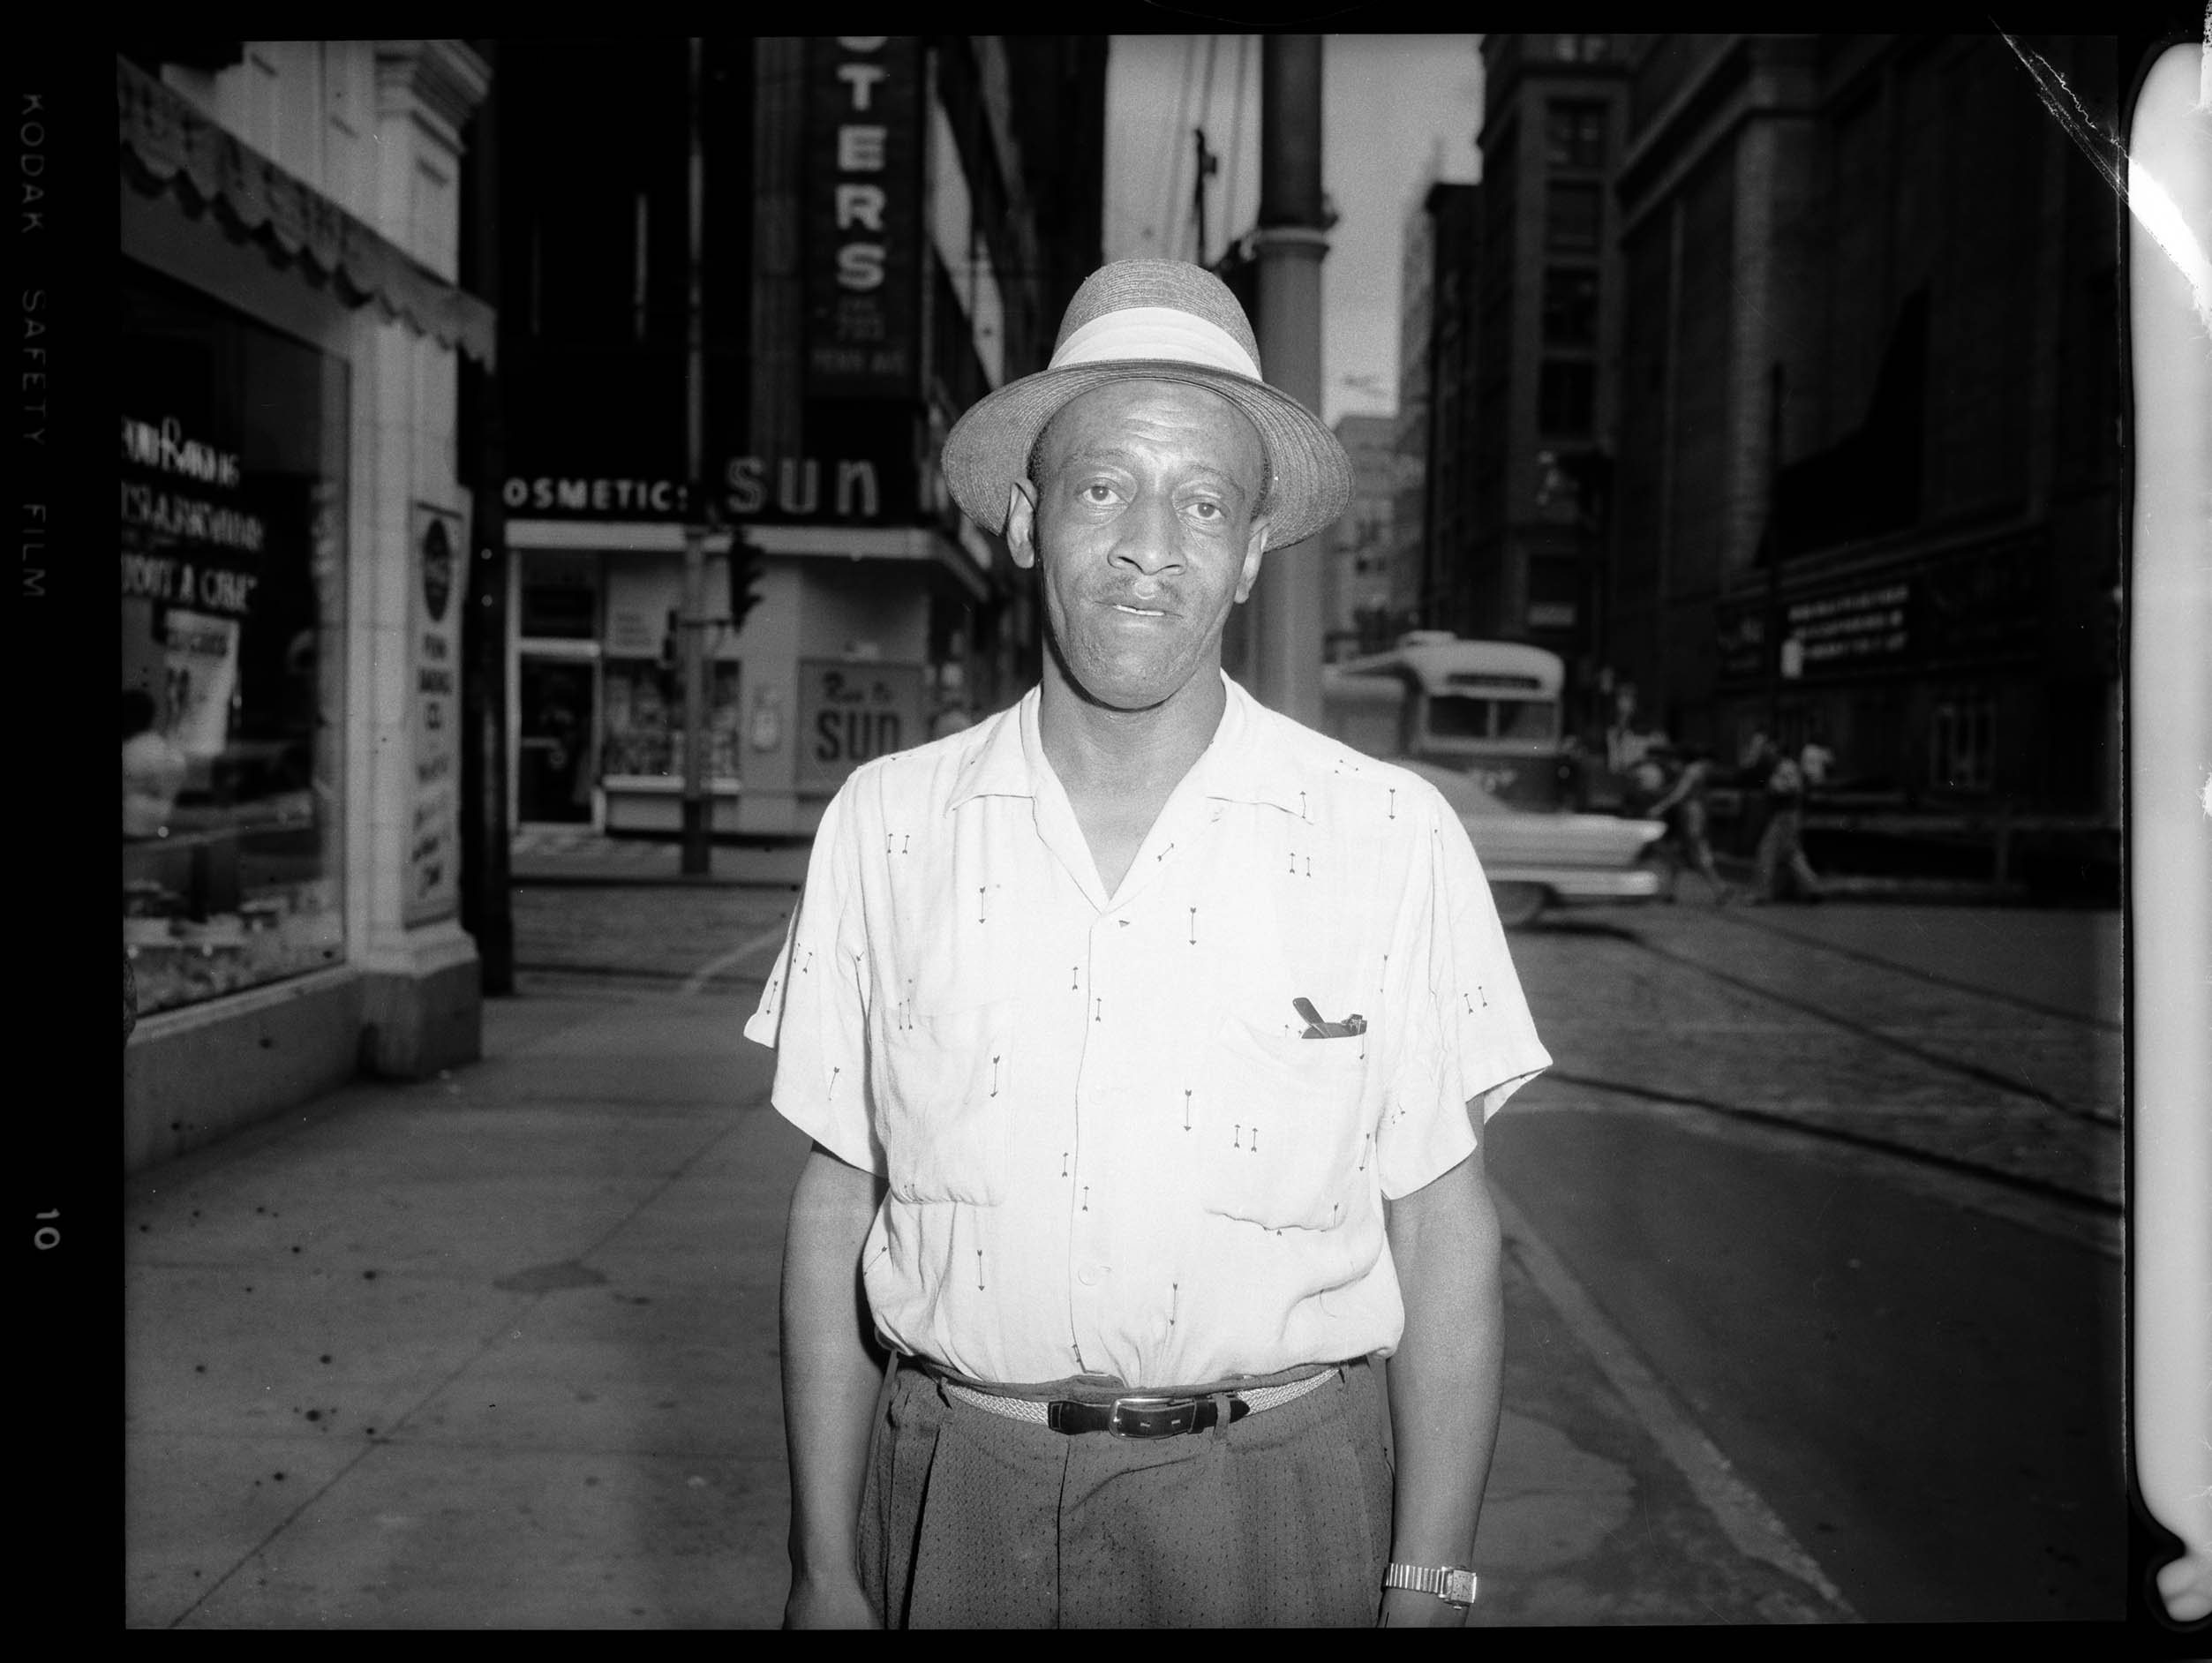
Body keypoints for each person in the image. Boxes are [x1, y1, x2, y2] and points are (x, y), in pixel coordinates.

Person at [747, 260, 1551, 1630]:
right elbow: (838, 1202)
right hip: (953, 1497)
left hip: (1279, 1511)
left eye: (1203, 503)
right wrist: (825, 1568)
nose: (1147, 546)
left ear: (1247, 552)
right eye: (1102, 487)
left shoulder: (1386, 836)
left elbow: (1444, 1228)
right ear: (1023, 518)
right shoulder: (885, 826)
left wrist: (1427, 1582)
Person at [1643, 745, 1735, 904]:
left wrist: (1659, 807)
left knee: (1698, 854)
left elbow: (1679, 793)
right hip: (1690, 815)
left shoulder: (1692, 770)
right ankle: (1671, 893)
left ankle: (1720, 889)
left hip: (1692, 816)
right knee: (1678, 854)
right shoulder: (1695, 770)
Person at [1753, 753, 1823, 903]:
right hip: (1790, 816)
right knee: (1791, 853)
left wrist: (1774, 787)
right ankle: (1813, 887)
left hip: (1783, 816)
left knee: (1767, 853)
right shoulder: (1789, 766)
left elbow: (1786, 788)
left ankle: (1762, 893)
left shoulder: (1784, 767)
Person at [122, 687, 188, 839]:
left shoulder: (130, 750)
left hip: (133, 828)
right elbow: (177, 771)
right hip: (161, 822)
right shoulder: (164, 748)